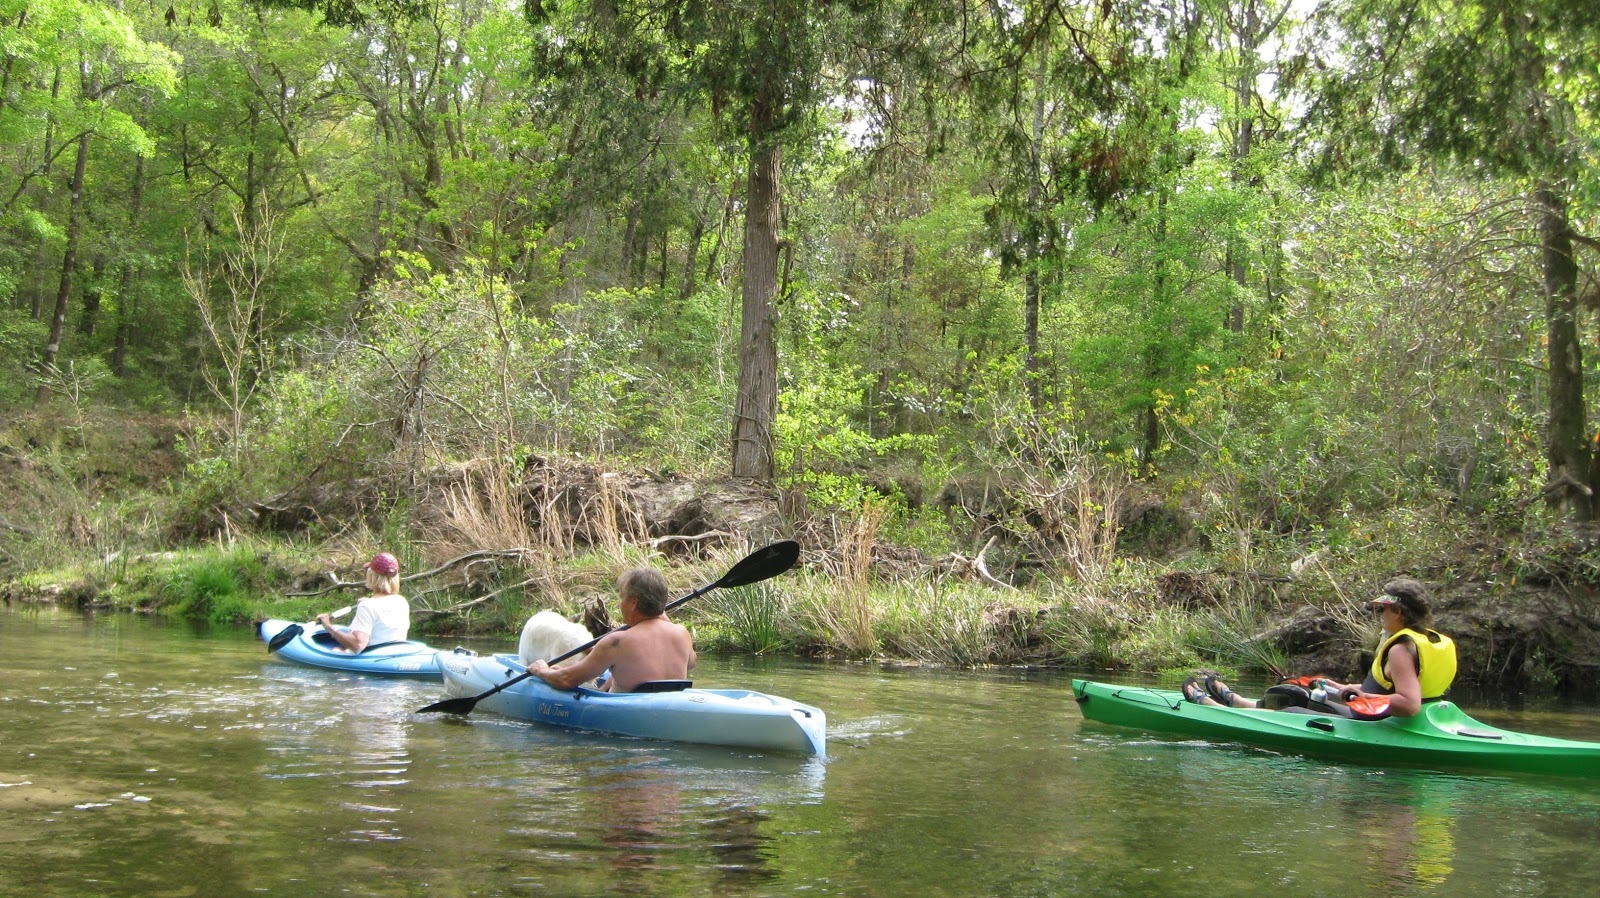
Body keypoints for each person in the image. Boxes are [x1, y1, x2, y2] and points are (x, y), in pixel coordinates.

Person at [1184, 577, 1457, 719]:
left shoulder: (1401, 648)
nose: (1380, 615)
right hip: (1391, 716)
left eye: (1382, 610)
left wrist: (1357, 698)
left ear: (1398, 611)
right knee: (1293, 692)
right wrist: (1345, 688)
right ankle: (1239, 702)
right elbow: (1399, 691)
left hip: (1376, 722)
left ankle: (1212, 707)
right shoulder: (1431, 639)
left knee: (1293, 709)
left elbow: (1409, 704)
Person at [526, 567, 696, 693]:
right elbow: (691, 663)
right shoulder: (682, 633)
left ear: (634, 602)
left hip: (629, 712)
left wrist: (542, 671)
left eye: (622, 597)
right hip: (671, 704)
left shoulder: (617, 642)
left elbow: (566, 679)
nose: (619, 604)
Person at [318, 552, 410, 653]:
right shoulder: (401, 601)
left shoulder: (367, 606)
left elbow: (358, 646)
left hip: (373, 658)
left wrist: (328, 626)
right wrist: (368, 603)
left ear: (372, 576)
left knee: (336, 650)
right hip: (395, 653)